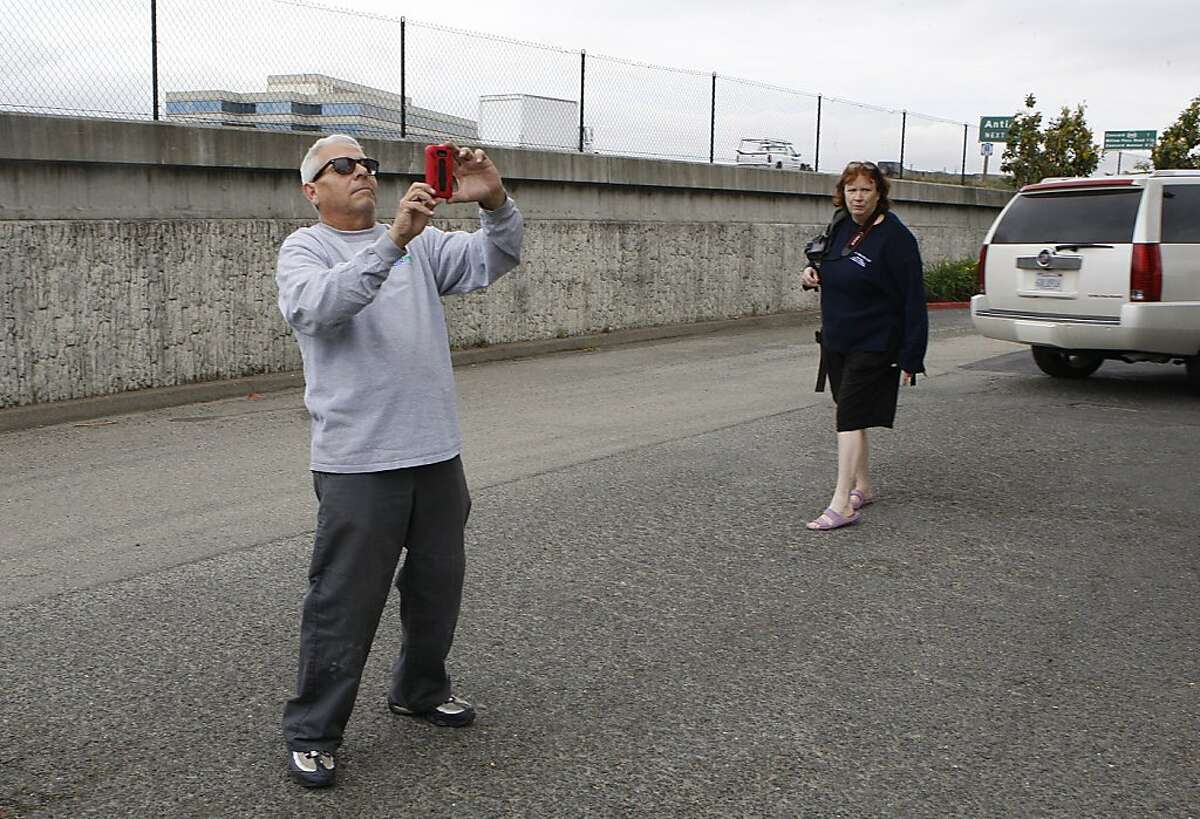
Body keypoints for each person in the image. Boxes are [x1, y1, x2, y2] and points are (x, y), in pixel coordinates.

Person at [275, 134, 522, 787]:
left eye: (367, 164)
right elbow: (320, 308)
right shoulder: (305, 249)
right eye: (343, 166)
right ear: (313, 189)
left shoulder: (421, 244)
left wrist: (494, 200)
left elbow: (498, 255)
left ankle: (419, 687)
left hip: (435, 450)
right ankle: (313, 729)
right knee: (345, 600)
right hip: (359, 459)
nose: (361, 172)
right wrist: (392, 244)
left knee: (437, 586)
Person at [800, 161, 927, 531]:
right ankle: (864, 486)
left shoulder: (896, 238)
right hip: (838, 336)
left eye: (866, 190)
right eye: (852, 189)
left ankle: (842, 503)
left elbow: (913, 298)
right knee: (851, 414)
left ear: (879, 195)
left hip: (876, 340)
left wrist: (911, 355)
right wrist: (811, 274)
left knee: (849, 418)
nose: (858, 197)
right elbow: (828, 261)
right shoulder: (841, 223)